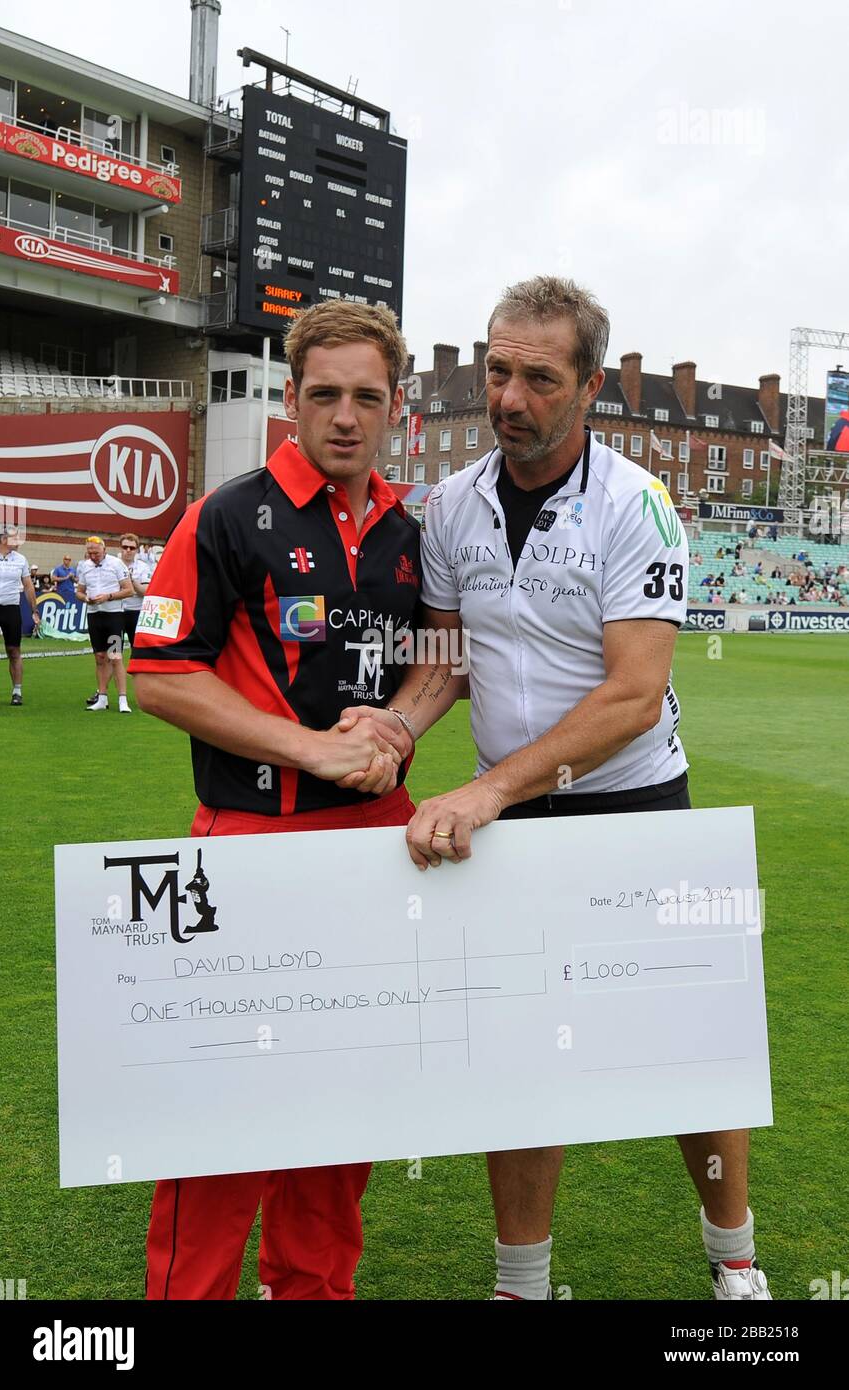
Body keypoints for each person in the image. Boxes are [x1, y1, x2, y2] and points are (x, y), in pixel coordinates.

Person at [339, 274, 771, 1302]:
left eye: (538, 377)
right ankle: (520, 1284)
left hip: (632, 806)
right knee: (516, 1051)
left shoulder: (638, 503)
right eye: (497, 370)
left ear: (585, 391)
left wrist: (486, 792)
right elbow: (445, 656)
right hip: (519, 810)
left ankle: (734, 1260)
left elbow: (631, 695)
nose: (508, 396)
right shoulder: (448, 505)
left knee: (687, 1053)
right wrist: (398, 722)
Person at [129, 299, 421, 1301]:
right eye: (325, 394)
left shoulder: (405, 531)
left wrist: (398, 729)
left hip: (376, 854)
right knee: (226, 1111)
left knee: (346, 1107)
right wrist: (313, 750)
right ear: (290, 400)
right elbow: (160, 674)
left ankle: (310, 1291)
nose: (346, 416)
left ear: (395, 410)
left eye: (367, 397)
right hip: (252, 845)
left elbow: (441, 661)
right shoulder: (226, 514)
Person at [75, 537, 134, 713]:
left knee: (115, 656)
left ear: (104, 550)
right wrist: (86, 599)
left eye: (96, 553)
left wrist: (108, 596)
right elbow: (79, 591)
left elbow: (129, 590)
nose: (93, 556)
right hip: (94, 616)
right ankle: (102, 698)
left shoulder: (116, 564)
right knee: (99, 657)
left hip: (114, 616)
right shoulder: (85, 566)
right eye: (90, 553)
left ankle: (123, 699)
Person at [0, 526, 40, 704]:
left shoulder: (21, 560)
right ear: (4, 539)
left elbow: (28, 586)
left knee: (13, 650)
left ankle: (17, 692)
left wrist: (34, 610)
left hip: (11, 609)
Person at [118, 533, 152, 648]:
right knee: (114, 652)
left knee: (137, 650)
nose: (128, 550)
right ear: (120, 548)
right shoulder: (112, 565)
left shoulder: (143, 567)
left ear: (137, 550)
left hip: (136, 613)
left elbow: (146, 592)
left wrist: (130, 580)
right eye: (125, 547)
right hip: (115, 613)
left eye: (132, 548)